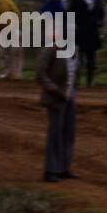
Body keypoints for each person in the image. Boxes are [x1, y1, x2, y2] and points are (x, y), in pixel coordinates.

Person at [36, 23, 80, 183]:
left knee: (68, 133)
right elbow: (40, 73)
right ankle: (50, 170)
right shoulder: (52, 48)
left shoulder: (74, 50)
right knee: (55, 134)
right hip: (56, 97)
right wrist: (54, 90)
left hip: (69, 97)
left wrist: (73, 91)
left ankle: (63, 168)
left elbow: (75, 73)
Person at [68, 0, 103, 88]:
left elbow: (101, 13)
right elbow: (70, 13)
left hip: (92, 32)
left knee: (91, 58)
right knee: (78, 58)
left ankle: (90, 80)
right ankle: (76, 80)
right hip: (79, 32)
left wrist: (100, 22)